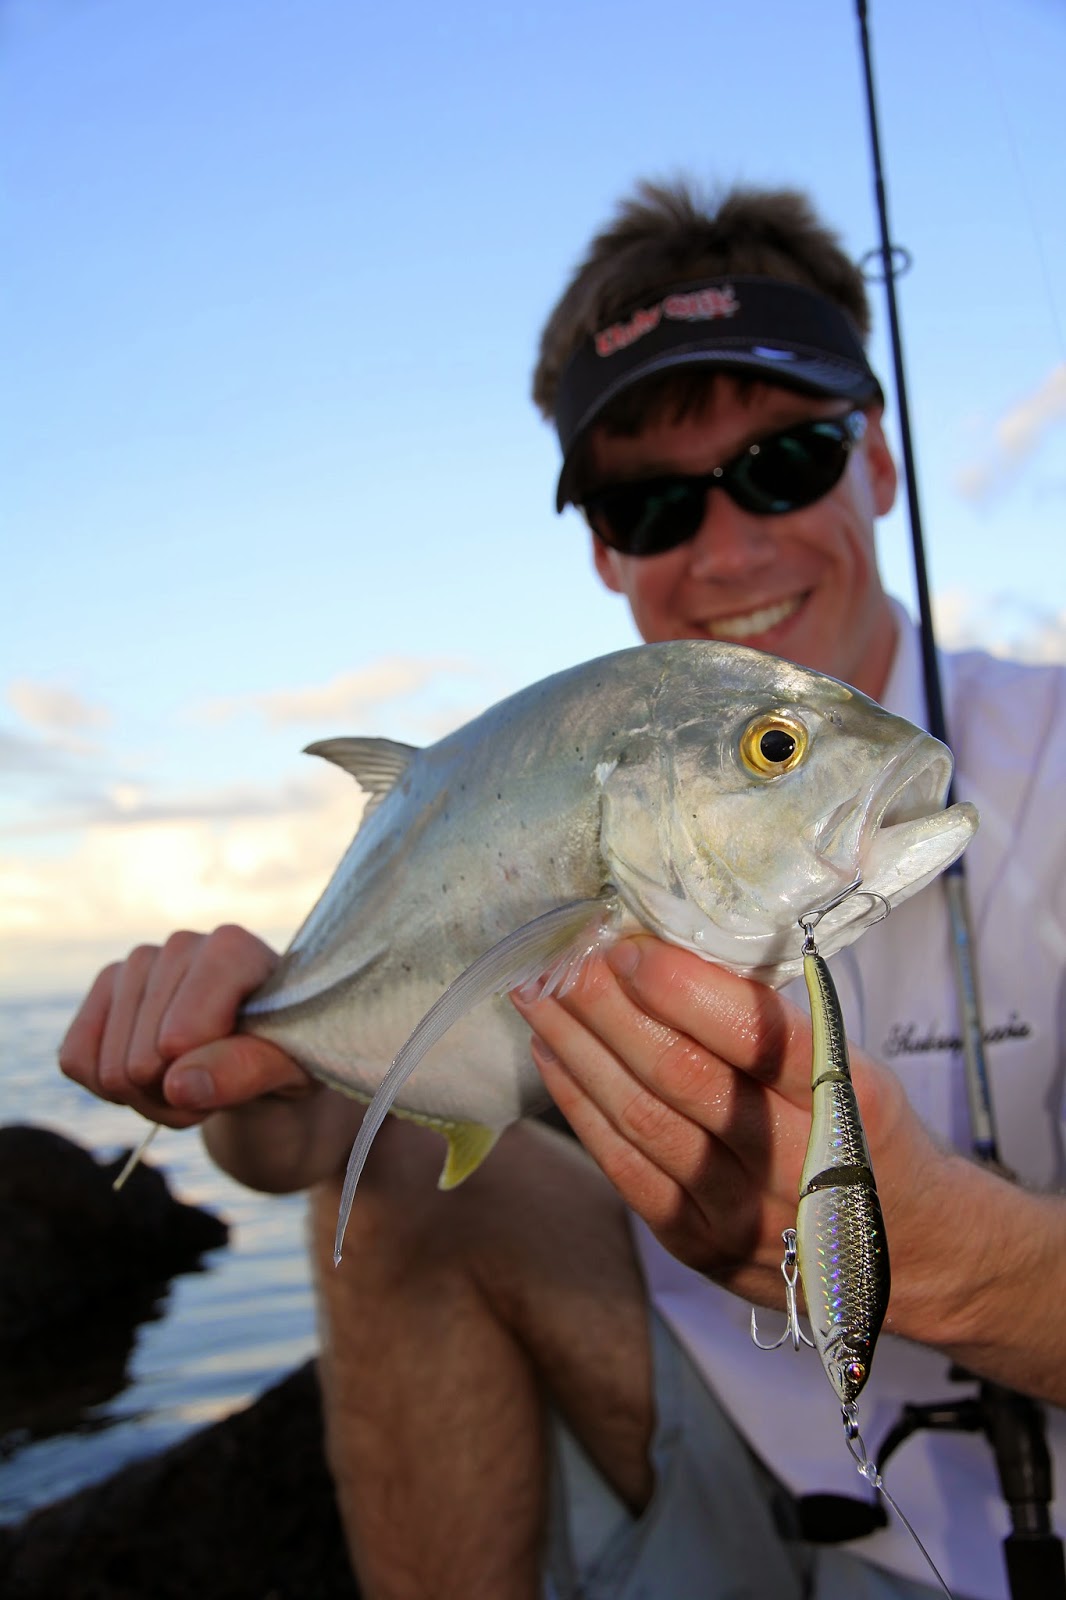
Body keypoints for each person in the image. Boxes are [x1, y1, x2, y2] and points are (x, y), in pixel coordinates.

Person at [59, 179, 1066, 1600]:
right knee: (402, 1194)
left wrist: (947, 1261)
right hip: (717, 1428)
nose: (726, 549)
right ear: (600, 544)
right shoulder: (546, 787)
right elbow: (321, 1136)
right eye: (651, 502)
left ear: (880, 460)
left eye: (785, 461)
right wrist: (239, 1076)